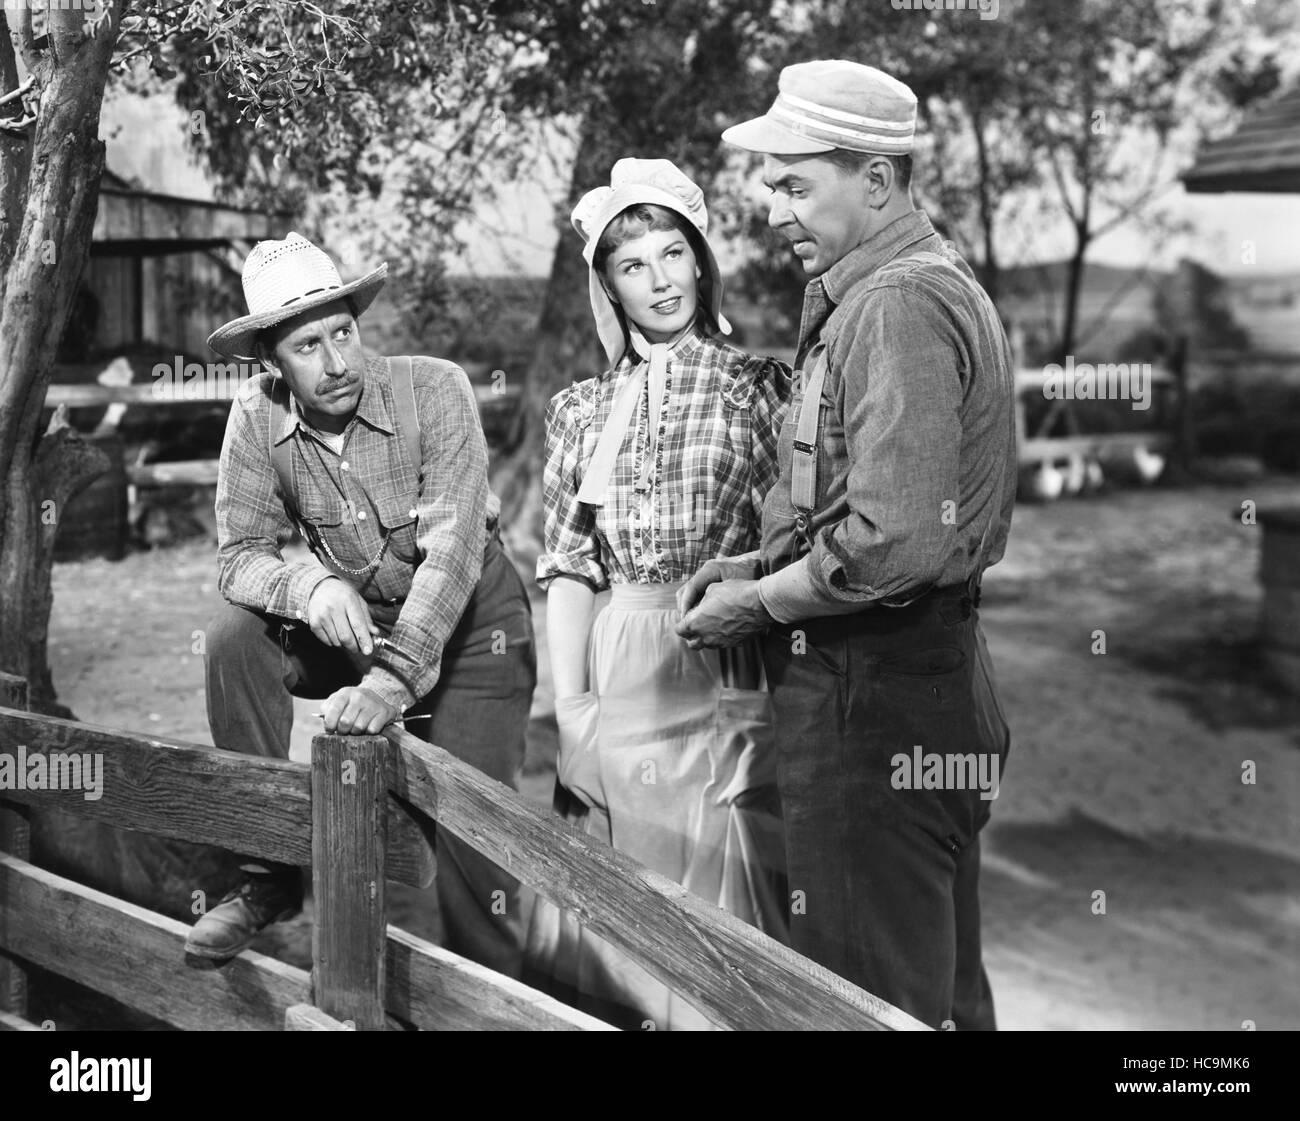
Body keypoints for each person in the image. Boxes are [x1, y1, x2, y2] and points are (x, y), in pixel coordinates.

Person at [678, 60, 1017, 1031]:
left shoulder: (895, 302)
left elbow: (898, 542)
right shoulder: (888, 289)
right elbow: (865, 508)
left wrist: (757, 602)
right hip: (917, 677)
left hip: (875, 695)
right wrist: (758, 563)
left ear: (873, 179)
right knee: (936, 987)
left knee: (859, 999)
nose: (769, 204)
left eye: (792, 182)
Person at [185, 232, 535, 979]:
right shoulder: (255, 417)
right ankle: (267, 873)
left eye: (343, 332)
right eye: (307, 346)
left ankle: (501, 1001)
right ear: (271, 362)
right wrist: (308, 587)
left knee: (474, 855)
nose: (336, 361)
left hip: (472, 626)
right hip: (357, 626)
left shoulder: (434, 388)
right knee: (231, 637)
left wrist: (390, 683)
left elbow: (450, 555)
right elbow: (239, 557)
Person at [524, 158, 793, 1030]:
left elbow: (788, 547)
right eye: (632, 266)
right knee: (620, 915)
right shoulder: (579, 409)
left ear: (701, 259)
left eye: (672, 254)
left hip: (722, 651)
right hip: (621, 657)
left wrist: (754, 689)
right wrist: (571, 711)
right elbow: (568, 568)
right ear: (608, 287)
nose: (659, 280)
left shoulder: (760, 388)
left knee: (721, 912)